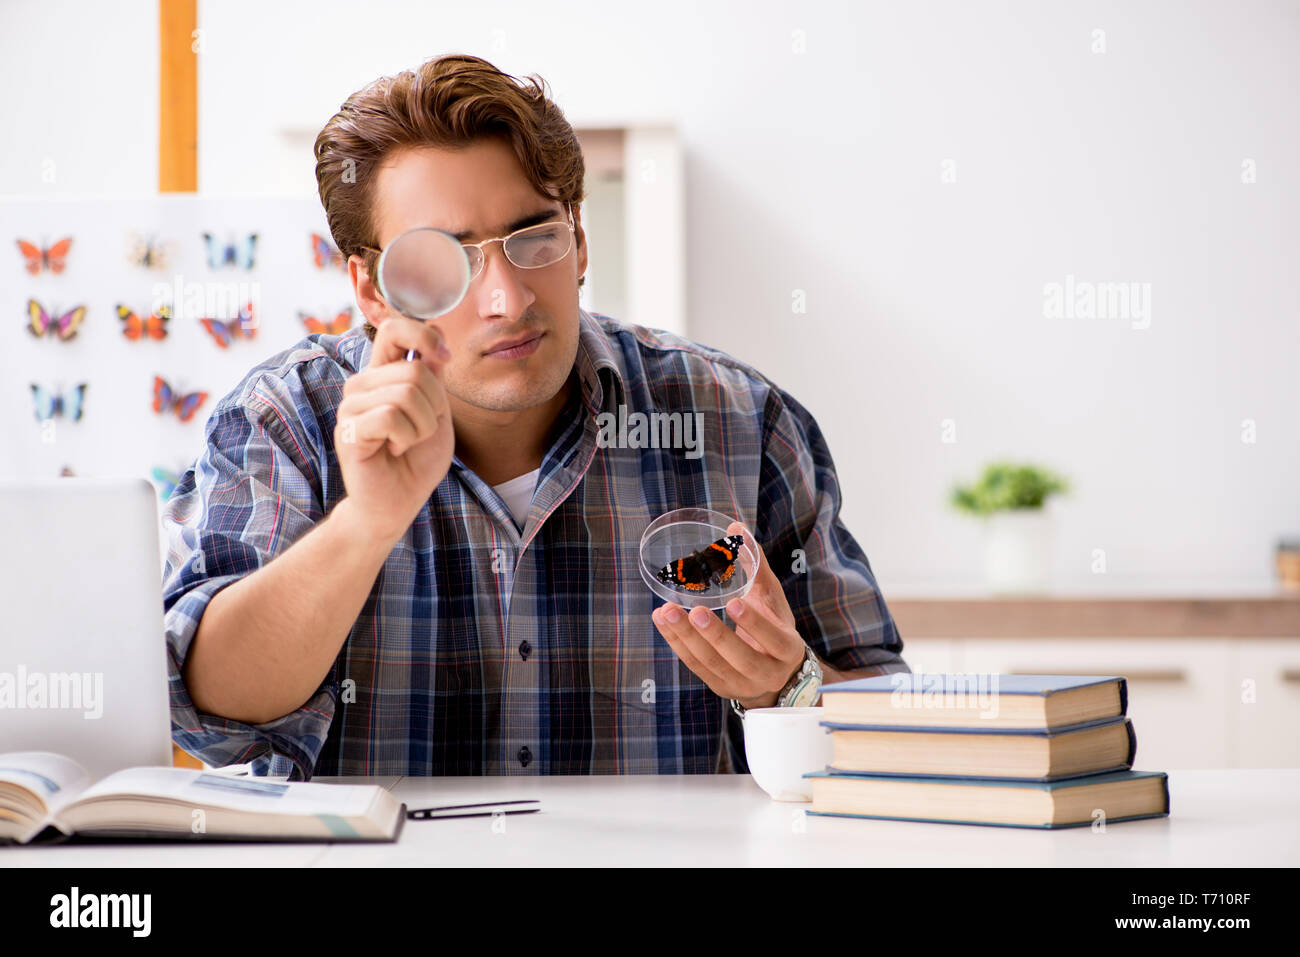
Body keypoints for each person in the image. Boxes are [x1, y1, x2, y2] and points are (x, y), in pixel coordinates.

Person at [161, 53, 908, 780]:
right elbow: (211, 710)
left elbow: (892, 723)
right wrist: (365, 526)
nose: (508, 299)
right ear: (374, 290)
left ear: (579, 239)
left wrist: (790, 689)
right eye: (444, 259)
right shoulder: (284, 421)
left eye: (536, 237)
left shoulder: (740, 420)